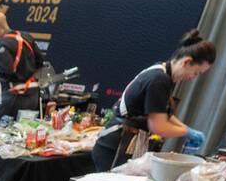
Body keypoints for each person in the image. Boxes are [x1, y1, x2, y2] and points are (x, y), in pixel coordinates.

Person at [92, 29, 216, 171]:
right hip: (115, 146)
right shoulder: (159, 80)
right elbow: (158, 126)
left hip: (123, 142)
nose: (193, 78)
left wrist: (186, 128)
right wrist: (186, 133)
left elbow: (163, 114)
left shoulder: (163, 72)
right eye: (196, 72)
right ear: (187, 62)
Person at [0, 12, 44, 123]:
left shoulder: (2, 45)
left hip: (13, 95)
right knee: (22, 128)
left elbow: (7, 71)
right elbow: (40, 62)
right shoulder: (27, 37)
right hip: (33, 94)